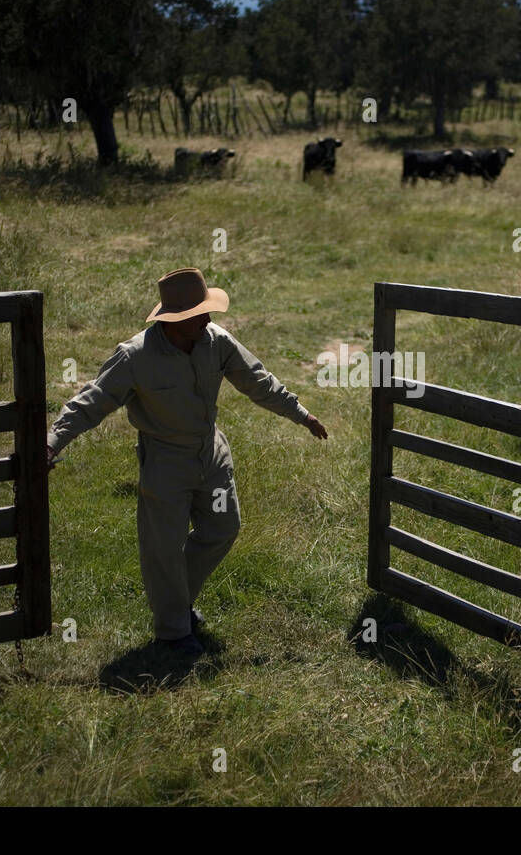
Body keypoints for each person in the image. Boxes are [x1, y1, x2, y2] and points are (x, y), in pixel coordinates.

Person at [45, 267, 328, 655]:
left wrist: (301, 414)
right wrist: (52, 442)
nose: (209, 318)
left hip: (211, 454)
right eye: (200, 313)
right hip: (165, 461)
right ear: (175, 319)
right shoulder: (134, 357)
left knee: (223, 528)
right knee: (163, 548)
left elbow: (257, 380)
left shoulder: (216, 342)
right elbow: (90, 403)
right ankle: (173, 634)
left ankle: (176, 605)